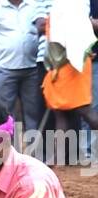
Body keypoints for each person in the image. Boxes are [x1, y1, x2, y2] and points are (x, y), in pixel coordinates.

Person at [38, 0, 98, 138]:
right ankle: (59, 158)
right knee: (60, 112)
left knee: (84, 109)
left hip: (72, 61)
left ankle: (59, 157)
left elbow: (76, 30)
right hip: (60, 62)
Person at [0, 0, 42, 134]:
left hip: (32, 67)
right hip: (6, 69)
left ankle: (34, 150)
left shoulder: (34, 6)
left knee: (33, 113)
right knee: (4, 114)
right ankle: (7, 150)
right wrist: (1, 57)